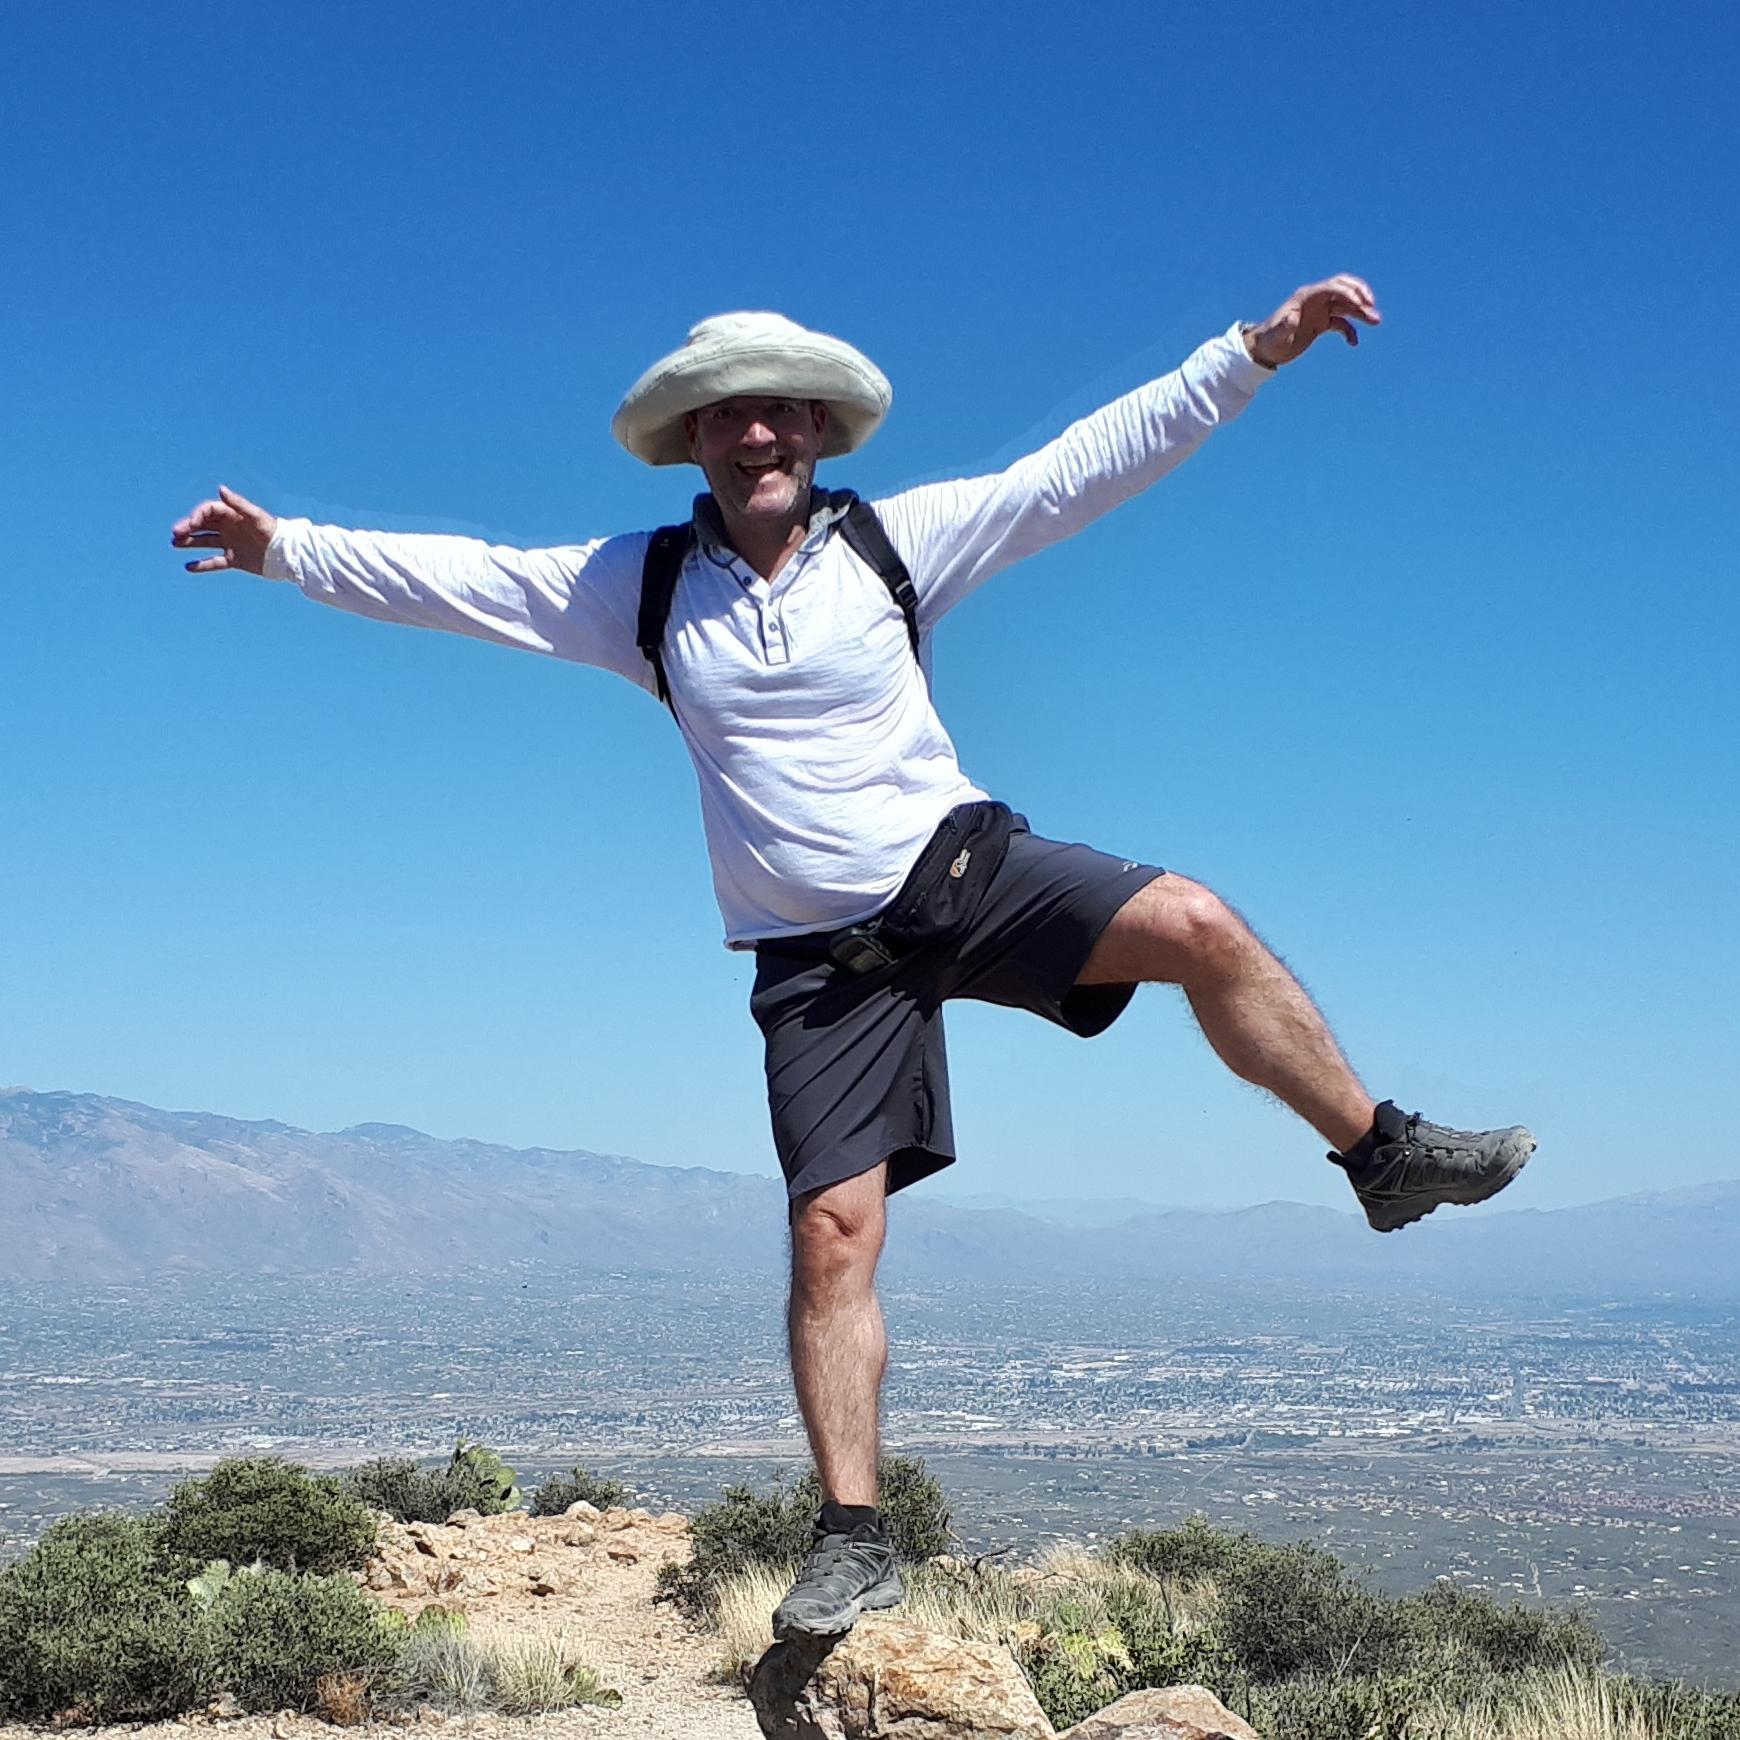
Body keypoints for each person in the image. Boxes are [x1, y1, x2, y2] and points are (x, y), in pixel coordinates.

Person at [172, 275, 1534, 1641]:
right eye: (726, 421)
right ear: (691, 443)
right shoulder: (638, 590)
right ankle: (855, 1537)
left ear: (816, 431)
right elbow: (460, 582)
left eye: (777, 416)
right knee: (831, 1235)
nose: (755, 438)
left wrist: (1253, 355)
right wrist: (283, 546)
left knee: (1197, 926)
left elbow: (1084, 469)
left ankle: (1379, 1152)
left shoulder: (899, 545)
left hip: (961, 874)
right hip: (818, 965)